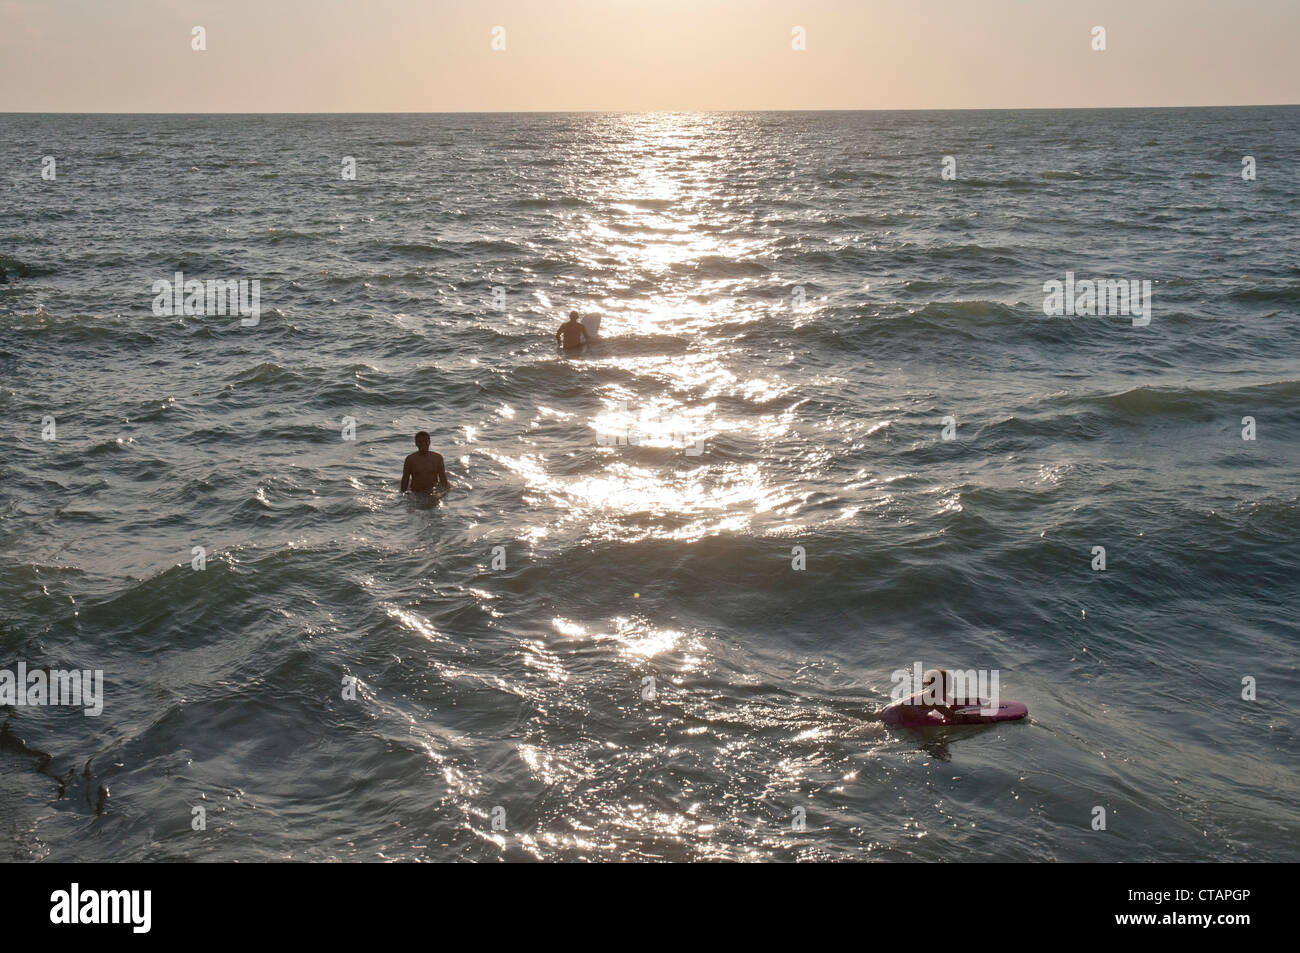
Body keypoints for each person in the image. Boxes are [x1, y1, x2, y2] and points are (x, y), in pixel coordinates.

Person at [878, 668, 979, 724]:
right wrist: (974, 717)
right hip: (894, 716)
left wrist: (973, 700)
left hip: (888, 709)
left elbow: (952, 701)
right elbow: (951, 716)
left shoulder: (931, 692)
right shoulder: (934, 699)